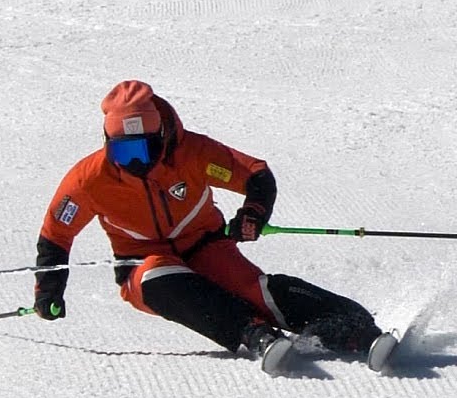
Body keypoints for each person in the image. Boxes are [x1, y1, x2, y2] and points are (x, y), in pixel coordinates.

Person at [31, 79, 394, 373]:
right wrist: (49, 291)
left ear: (161, 139)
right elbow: (55, 235)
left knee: (255, 290)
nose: (134, 163)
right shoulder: (88, 180)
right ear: (108, 144)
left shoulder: (192, 154)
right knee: (159, 277)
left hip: (206, 247)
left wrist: (253, 212)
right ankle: (254, 335)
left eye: (142, 152)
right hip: (141, 266)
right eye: (123, 153)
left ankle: (353, 326)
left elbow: (254, 174)